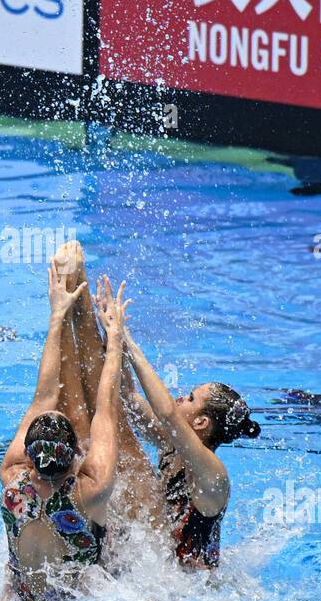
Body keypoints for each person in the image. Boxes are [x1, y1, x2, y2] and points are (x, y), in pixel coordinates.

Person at [55, 243, 260, 570]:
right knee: (114, 433)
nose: (181, 398)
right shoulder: (170, 446)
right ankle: (76, 304)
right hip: (154, 557)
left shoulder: (212, 476)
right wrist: (110, 331)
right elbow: (129, 398)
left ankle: (71, 304)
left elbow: (164, 411)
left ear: (202, 423)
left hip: (185, 590)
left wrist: (128, 342)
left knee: (116, 446)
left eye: (191, 399)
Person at [0, 257, 130, 601]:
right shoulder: (93, 488)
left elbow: (44, 396)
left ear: (27, 455)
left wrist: (56, 315)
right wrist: (114, 340)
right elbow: (106, 409)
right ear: (76, 455)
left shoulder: (12, 478)